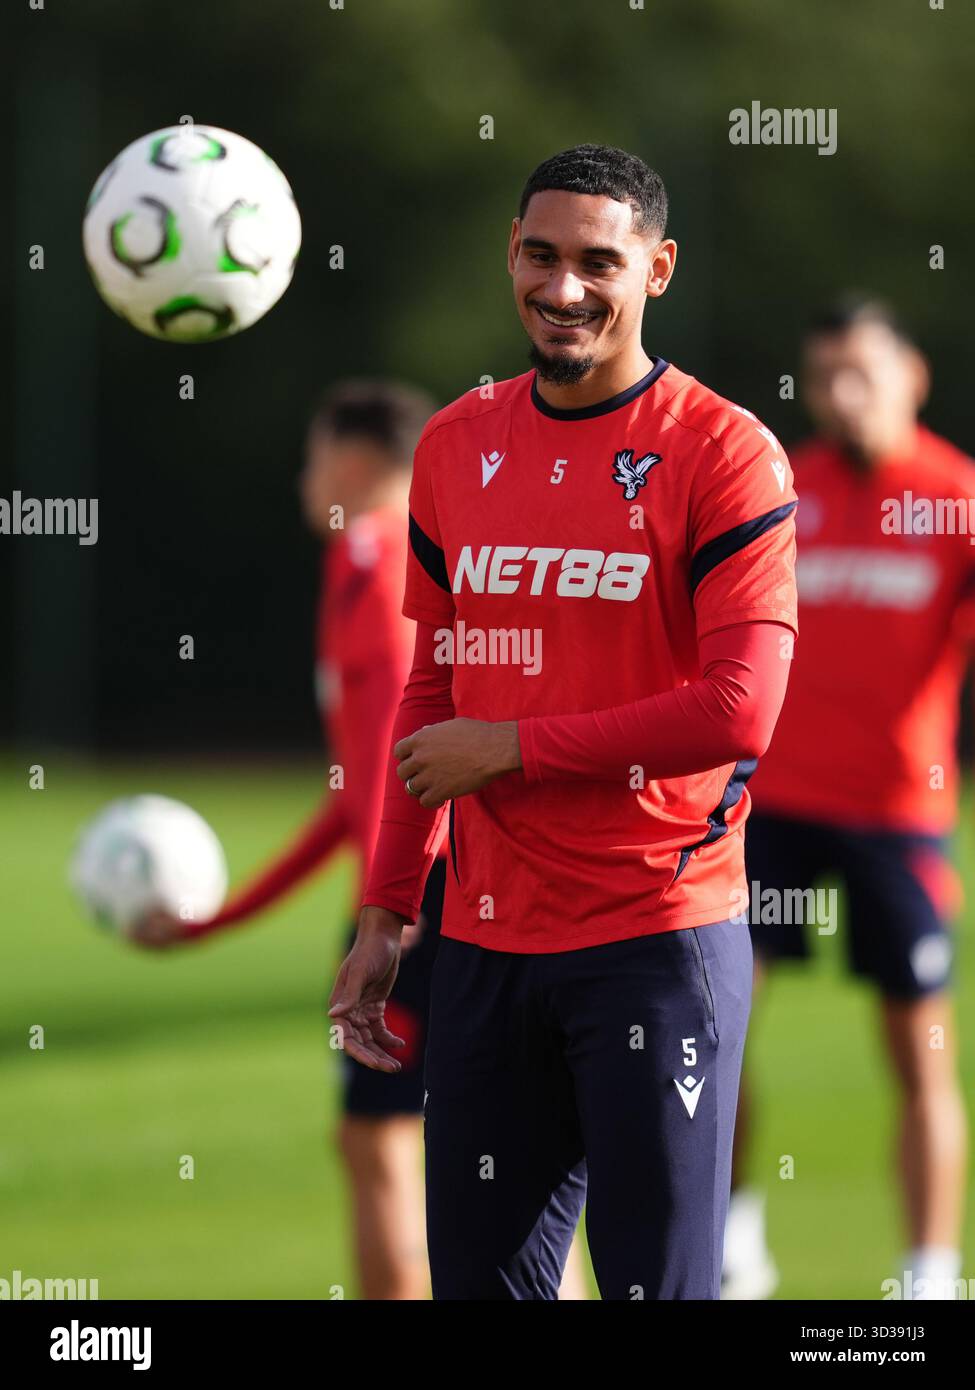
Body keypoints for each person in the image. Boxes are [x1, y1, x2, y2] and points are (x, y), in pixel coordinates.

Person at [328, 143, 799, 1300]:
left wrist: (517, 747)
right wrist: (390, 909)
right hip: (484, 948)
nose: (565, 287)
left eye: (600, 260)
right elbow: (430, 692)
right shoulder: (453, 444)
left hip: (656, 940)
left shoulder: (725, 452)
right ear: (511, 256)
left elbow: (743, 710)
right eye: (541, 255)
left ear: (659, 267)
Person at [131, 379, 448, 1300]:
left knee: (383, 1145)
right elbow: (352, 800)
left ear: (354, 464)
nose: (303, 478)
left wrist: (392, 914)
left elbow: (407, 761)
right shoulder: (360, 567)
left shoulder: (383, 569)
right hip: (409, 897)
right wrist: (211, 922)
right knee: (493, 1164)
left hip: (420, 905)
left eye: (313, 458)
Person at [724, 297, 972, 1302]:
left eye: (861, 372)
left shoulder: (955, 499)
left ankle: (926, 1275)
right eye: (824, 375)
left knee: (919, 1046)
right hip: (768, 806)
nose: (842, 393)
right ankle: (734, 1242)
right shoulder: (782, 487)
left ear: (910, 375)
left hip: (897, 814)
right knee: (714, 1019)